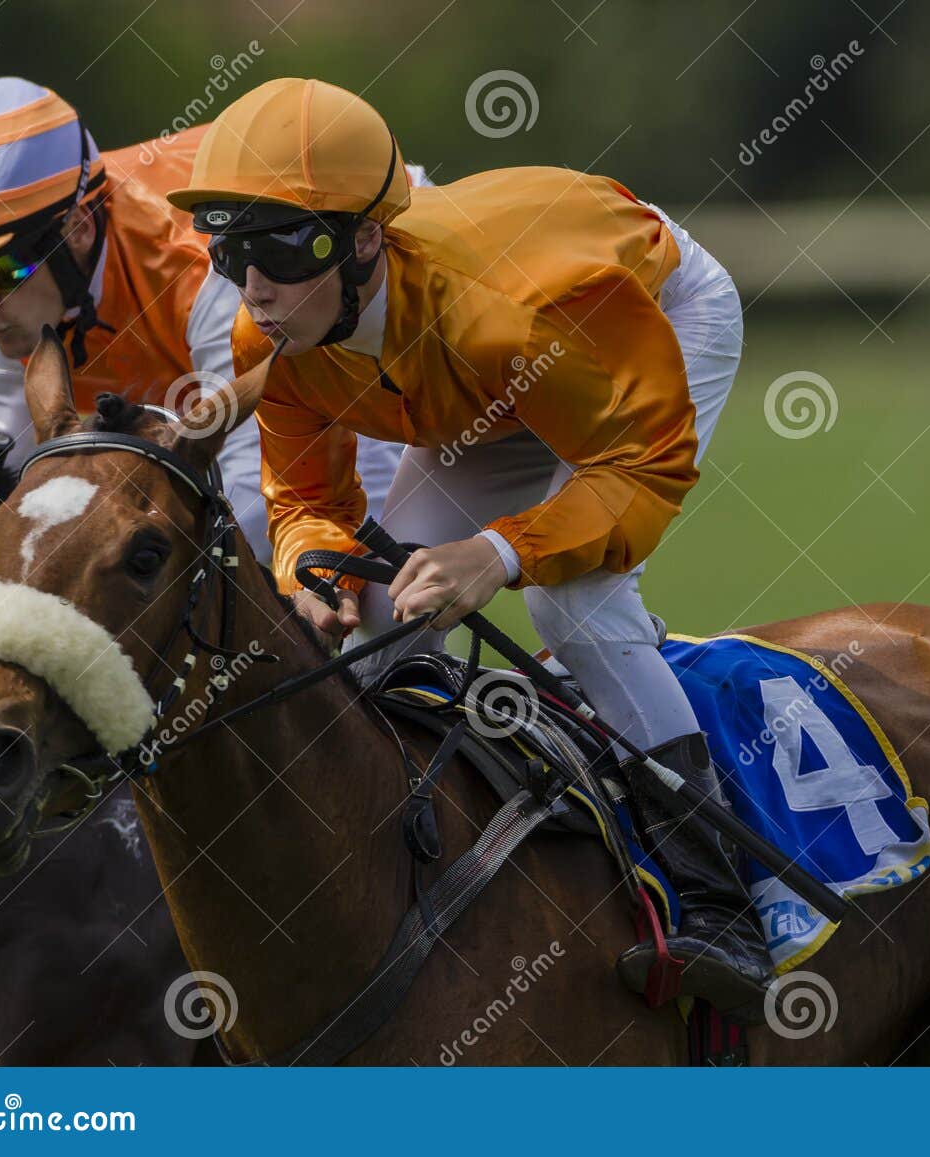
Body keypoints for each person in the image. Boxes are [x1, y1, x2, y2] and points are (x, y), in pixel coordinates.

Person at [167, 77, 773, 1016]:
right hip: (485, 377)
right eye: (231, 252)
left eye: (279, 250)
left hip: (625, 330)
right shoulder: (278, 327)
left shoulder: (511, 314)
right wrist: (310, 560)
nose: (255, 287)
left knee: (573, 603)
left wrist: (498, 552)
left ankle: (719, 899)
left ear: (365, 239)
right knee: (378, 611)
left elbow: (643, 467)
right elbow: (307, 500)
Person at [0, 76, 414, 562]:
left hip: (355, 272)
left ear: (76, 229)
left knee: (353, 578)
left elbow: (260, 500)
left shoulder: (212, 273)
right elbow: (11, 495)